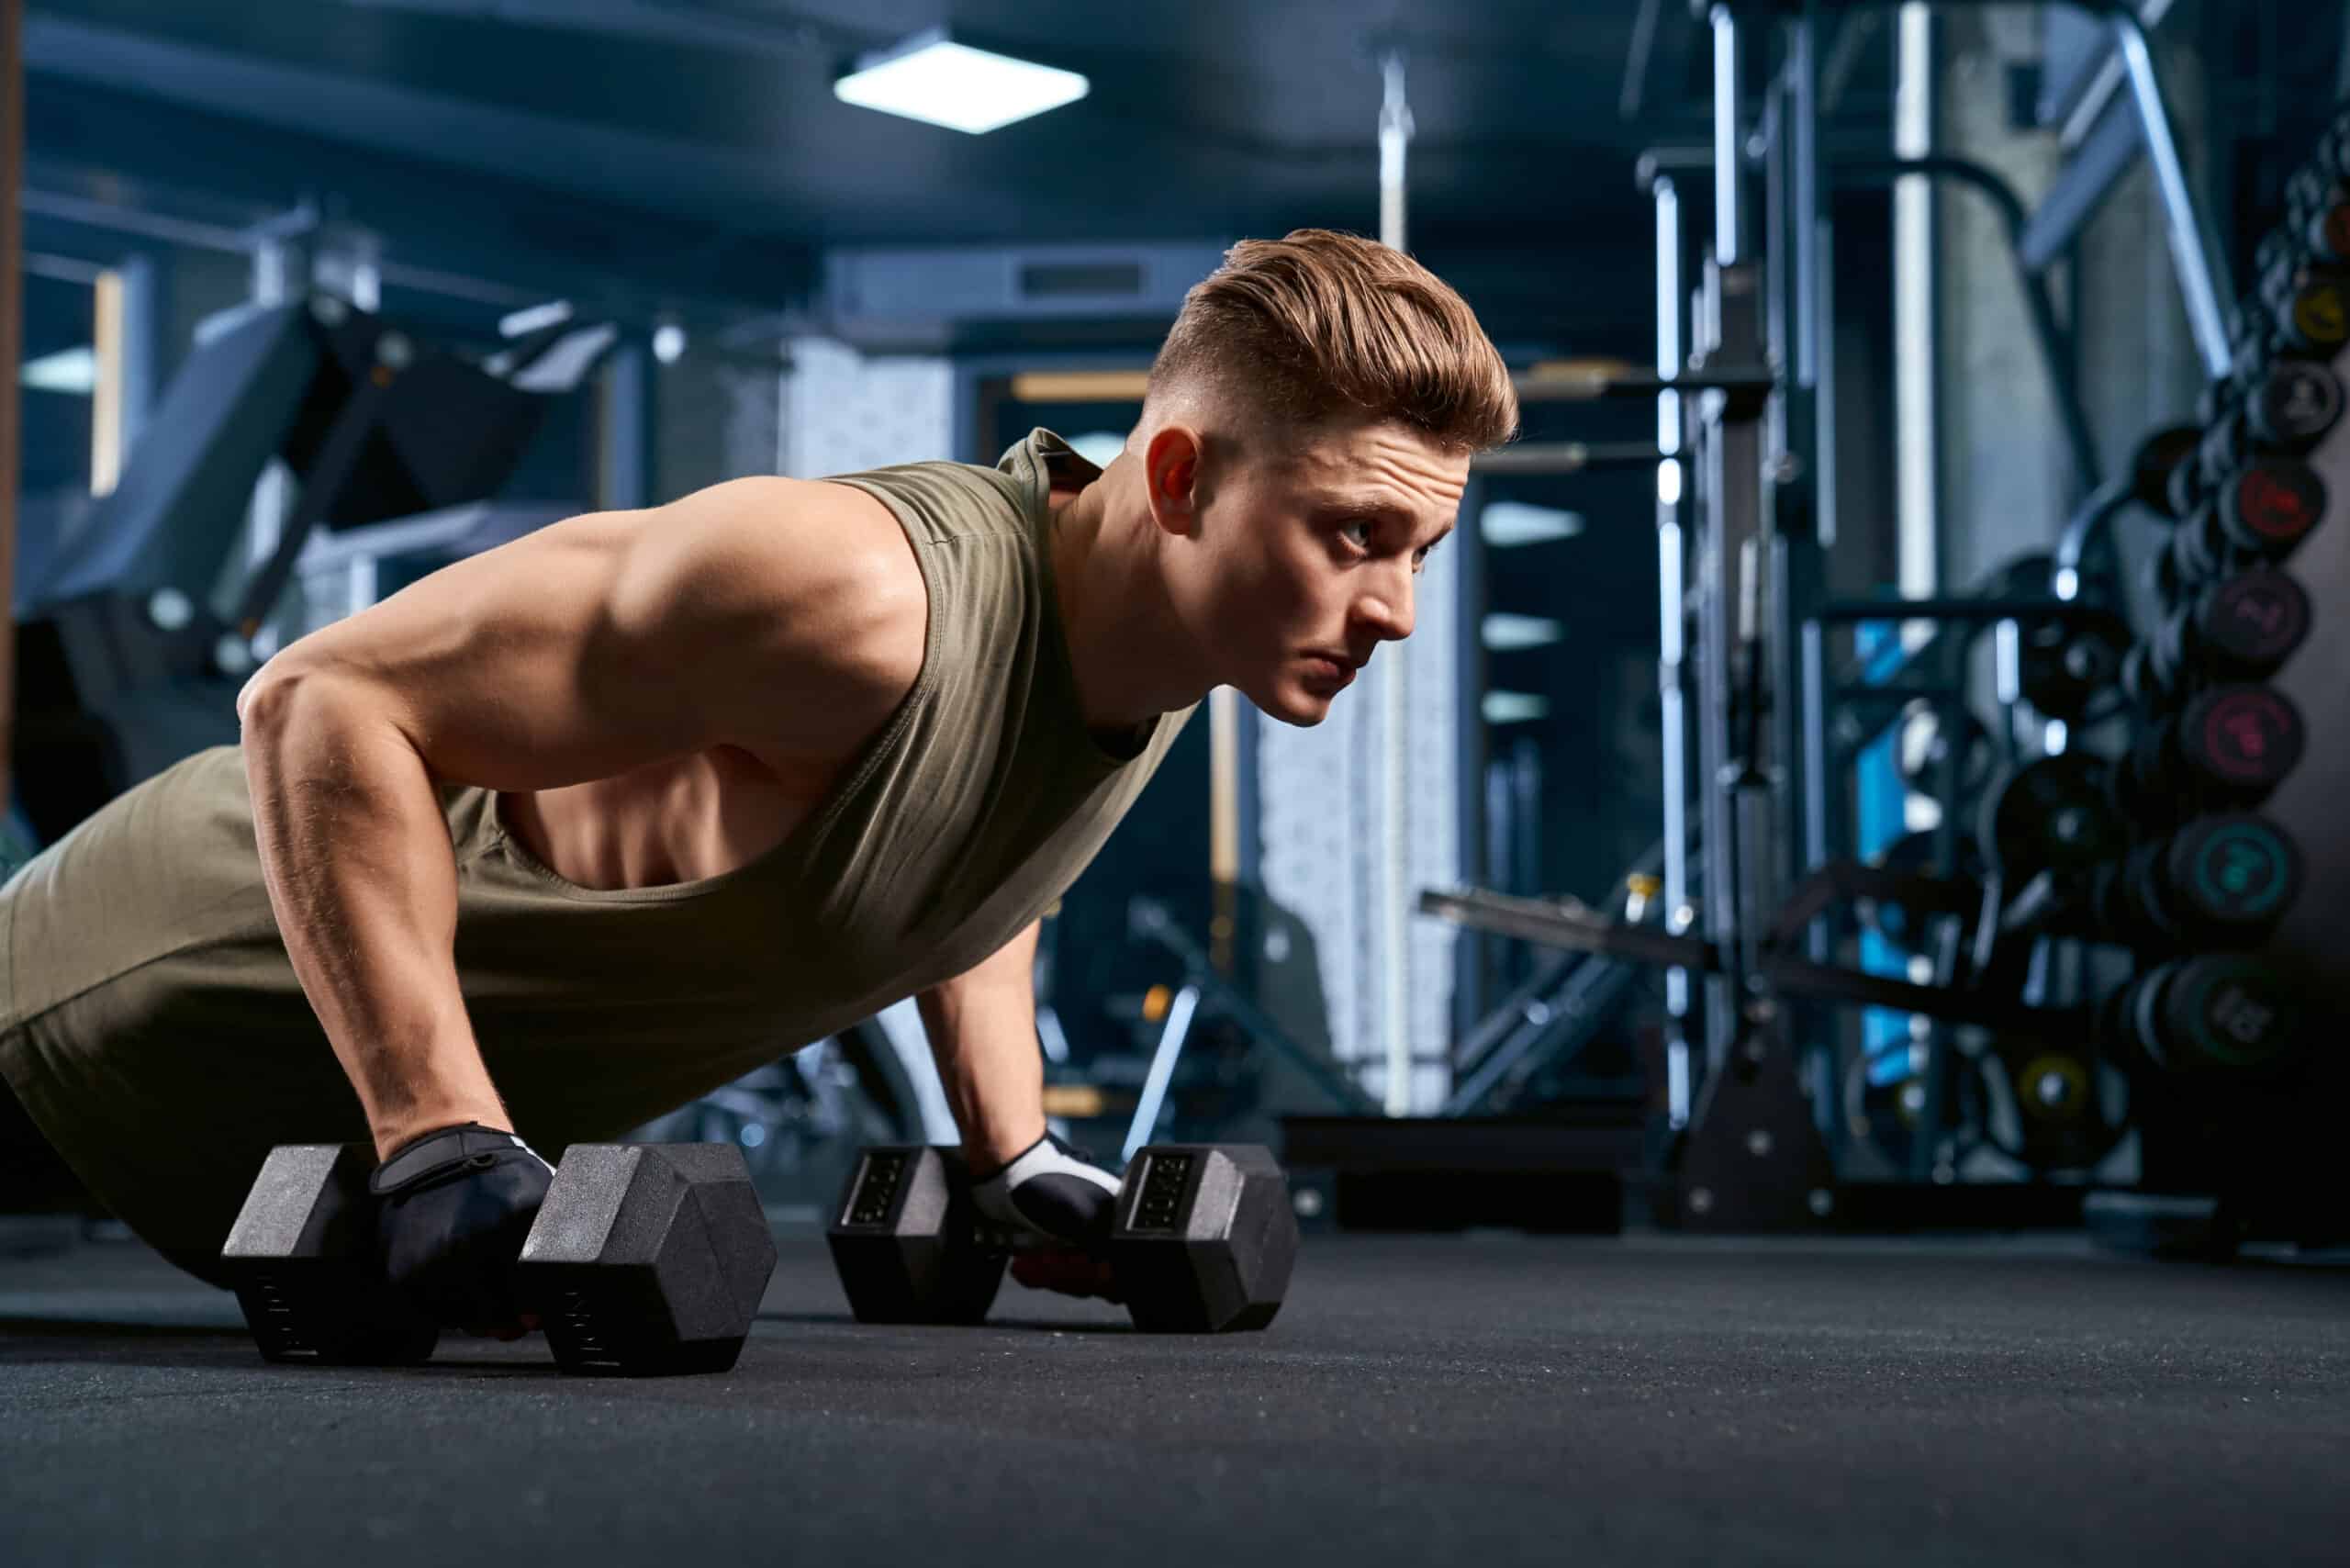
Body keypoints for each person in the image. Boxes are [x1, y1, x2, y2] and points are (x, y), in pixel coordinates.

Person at [0, 229, 1518, 1337]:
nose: (1394, 611)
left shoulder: (1164, 652)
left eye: (1422, 557)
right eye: (1353, 537)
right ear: (1181, 481)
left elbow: (982, 848)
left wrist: (1014, 1151)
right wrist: (442, 1132)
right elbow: (316, 695)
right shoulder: (848, 595)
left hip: (243, 1137)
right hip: (133, 987)